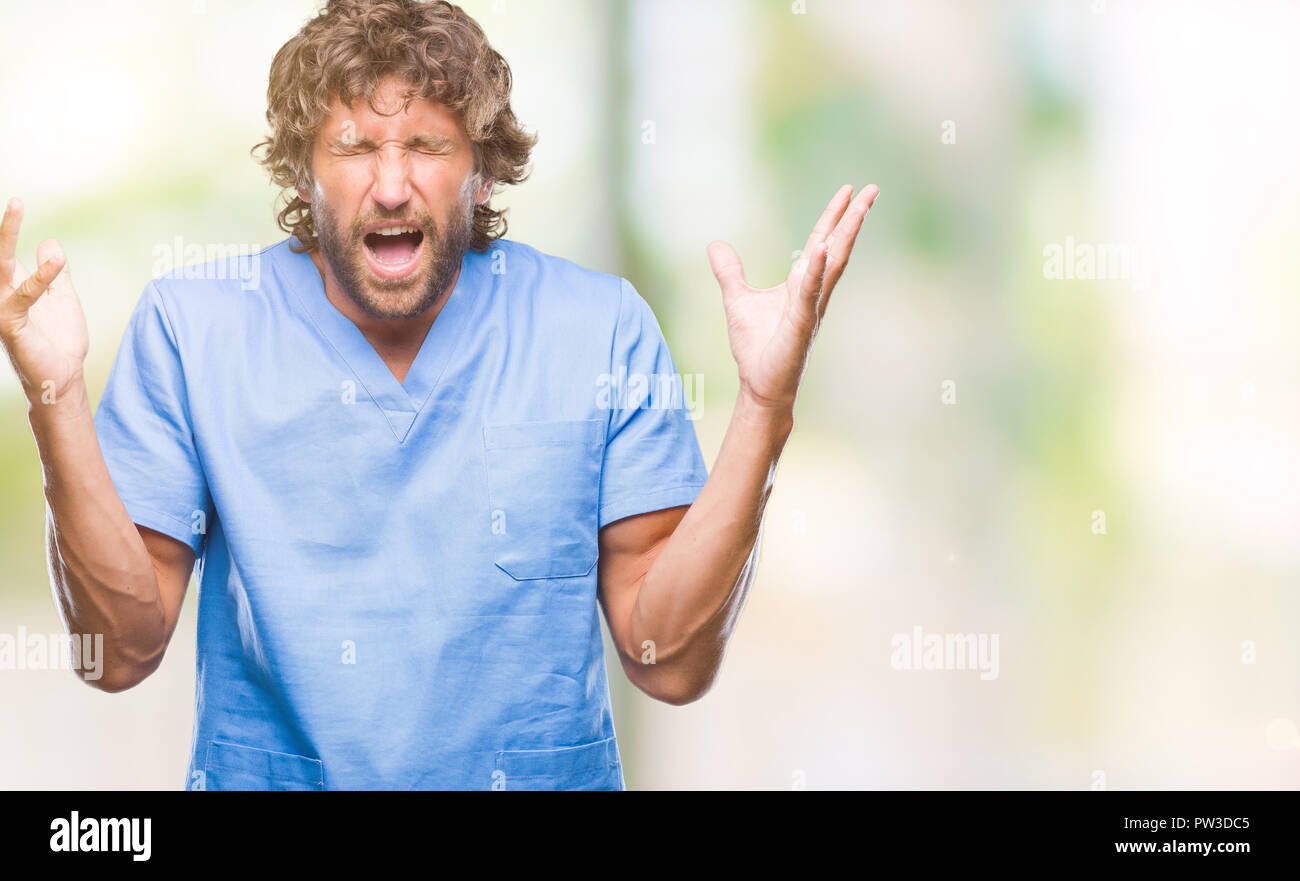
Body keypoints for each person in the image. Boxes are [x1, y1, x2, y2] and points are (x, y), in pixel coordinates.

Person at [0, 0, 877, 790]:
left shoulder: (599, 327)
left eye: (426, 145)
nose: (390, 183)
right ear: (302, 173)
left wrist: (767, 405)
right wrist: (55, 395)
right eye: (351, 147)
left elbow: (669, 661)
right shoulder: (192, 331)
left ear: (483, 172)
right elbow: (116, 653)